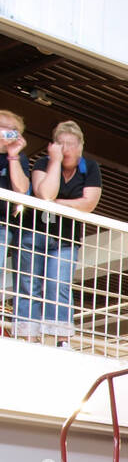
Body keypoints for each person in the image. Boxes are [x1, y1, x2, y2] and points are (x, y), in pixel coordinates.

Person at [16, 120, 101, 344]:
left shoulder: (89, 167)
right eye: (61, 144)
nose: (66, 149)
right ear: (53, 146)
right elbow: (44, 193)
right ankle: (27, 336)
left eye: (72, 144)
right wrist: (55, 162)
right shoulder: (43, 163)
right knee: (29, 284)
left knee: (58, 285)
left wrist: (57, 202)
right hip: (33, 233)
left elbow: (89, 203)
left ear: (81, 146)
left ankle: (61, 339)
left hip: (66, 238)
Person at [0, 110, 31, 318]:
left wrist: (13, 155)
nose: (7, 133)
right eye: (3, 127)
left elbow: (21, 189)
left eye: (13, 131)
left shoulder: (19, 158)